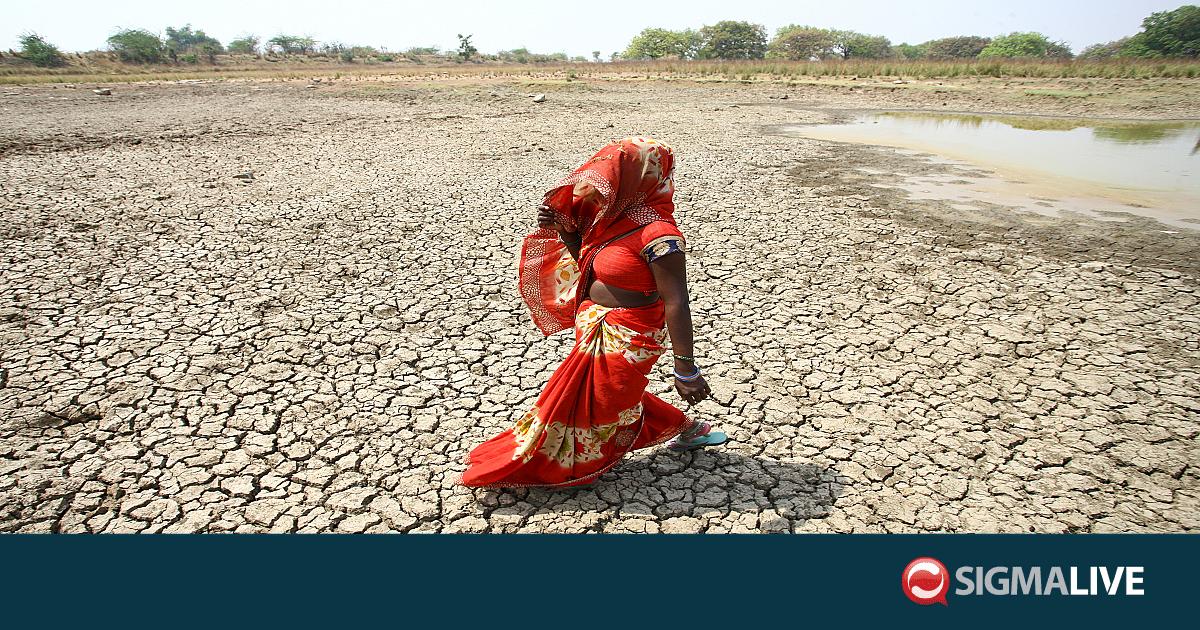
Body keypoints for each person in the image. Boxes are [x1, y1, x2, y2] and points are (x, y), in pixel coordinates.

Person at [460, 137, 725, 489]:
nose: (602, 182)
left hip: (631, 331)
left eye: (613, 175)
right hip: (593, 323)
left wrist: (686, 368)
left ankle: (564, 464)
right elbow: (588, 266)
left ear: (637, 178)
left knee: (602, 398)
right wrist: (568, 233)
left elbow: (677, 302)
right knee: (604, 393)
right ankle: (690, 429)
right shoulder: (610, 221)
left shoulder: (660, 235)